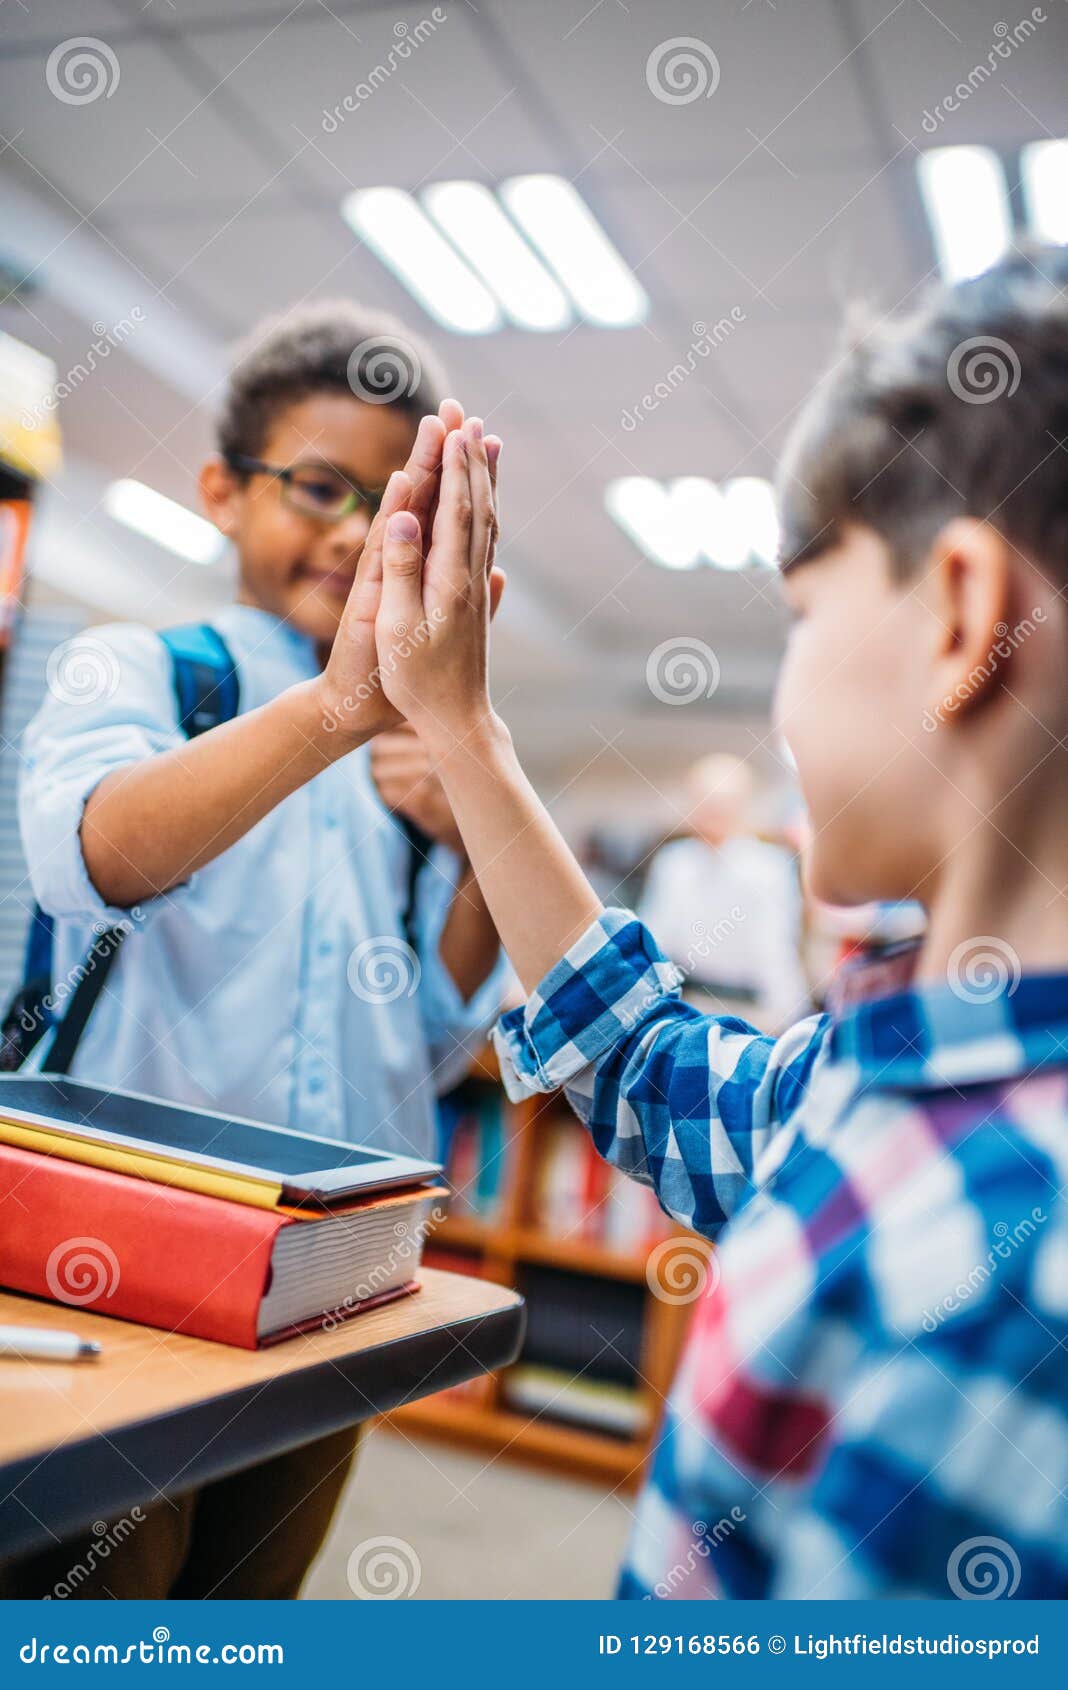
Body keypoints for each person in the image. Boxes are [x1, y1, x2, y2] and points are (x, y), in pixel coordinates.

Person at [341, 246, 1068, 1598]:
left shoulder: (994, 1273)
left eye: (798, 613)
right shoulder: (889, 1060)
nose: (784, 688)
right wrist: (463, 723)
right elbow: (661, 1068)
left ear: (965, 614)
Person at [6, 303, 506, 1600]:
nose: (352, 530)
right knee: (108, 1600)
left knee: (246, 1608)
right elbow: (95, 852)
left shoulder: (411, 749)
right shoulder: (147, 670)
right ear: (224, 491)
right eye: (320, 488)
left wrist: (475, 828)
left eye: (389, 504)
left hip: (331, 1279)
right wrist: (335, 709)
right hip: (121, 1265)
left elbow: (440, 1029)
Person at [639, 753, 809, 1030]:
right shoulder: (674, 862)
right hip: (685, 1007)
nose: (712, 811)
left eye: (722, 802)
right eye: (704, 800)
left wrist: (791, 1018)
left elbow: (776, 947)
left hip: (751, 1012)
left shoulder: (768, 867)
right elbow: (656, 936)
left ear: (742, 804)